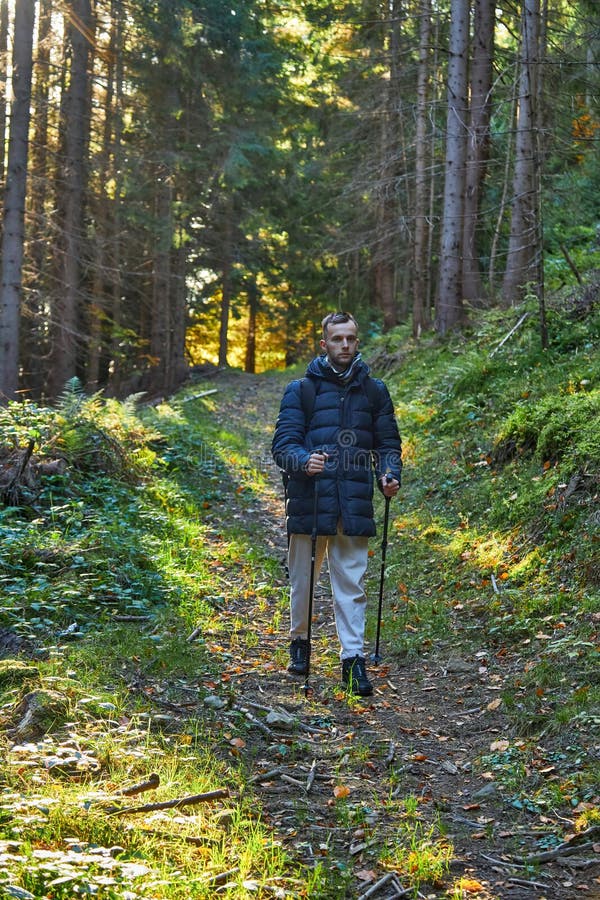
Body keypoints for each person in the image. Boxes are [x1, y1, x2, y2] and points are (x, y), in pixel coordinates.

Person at [271, 311, 402, 696]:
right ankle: (300, 643)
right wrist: (302, 460)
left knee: (352, 584)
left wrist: (388, 474)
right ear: (324, 343)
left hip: (354, 501)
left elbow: (387, 445)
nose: (345, 345)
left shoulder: (374, 391)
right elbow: (283, 446)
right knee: (304, 582)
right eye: (337, 339)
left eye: (350, 339)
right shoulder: (302, 390)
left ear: (356, 342)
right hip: (310, 501)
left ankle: (353, 662)